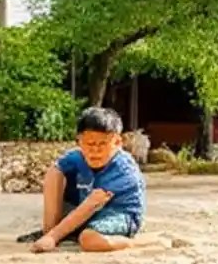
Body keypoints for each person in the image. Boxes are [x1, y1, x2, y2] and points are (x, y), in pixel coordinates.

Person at [26, 107, 147, 253]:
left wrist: (53, 236)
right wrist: (49, 230)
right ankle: (51, 230)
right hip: (84, 207)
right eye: (90, 144)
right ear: (79, 141)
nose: (95, 150)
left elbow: (93, 204)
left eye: (102, 144)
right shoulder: (75, 158)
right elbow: (55, 172)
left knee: (89, 240)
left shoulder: (123, 168)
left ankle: (140, 242)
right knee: (55, 172)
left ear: (117, 142)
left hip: (117, 213)